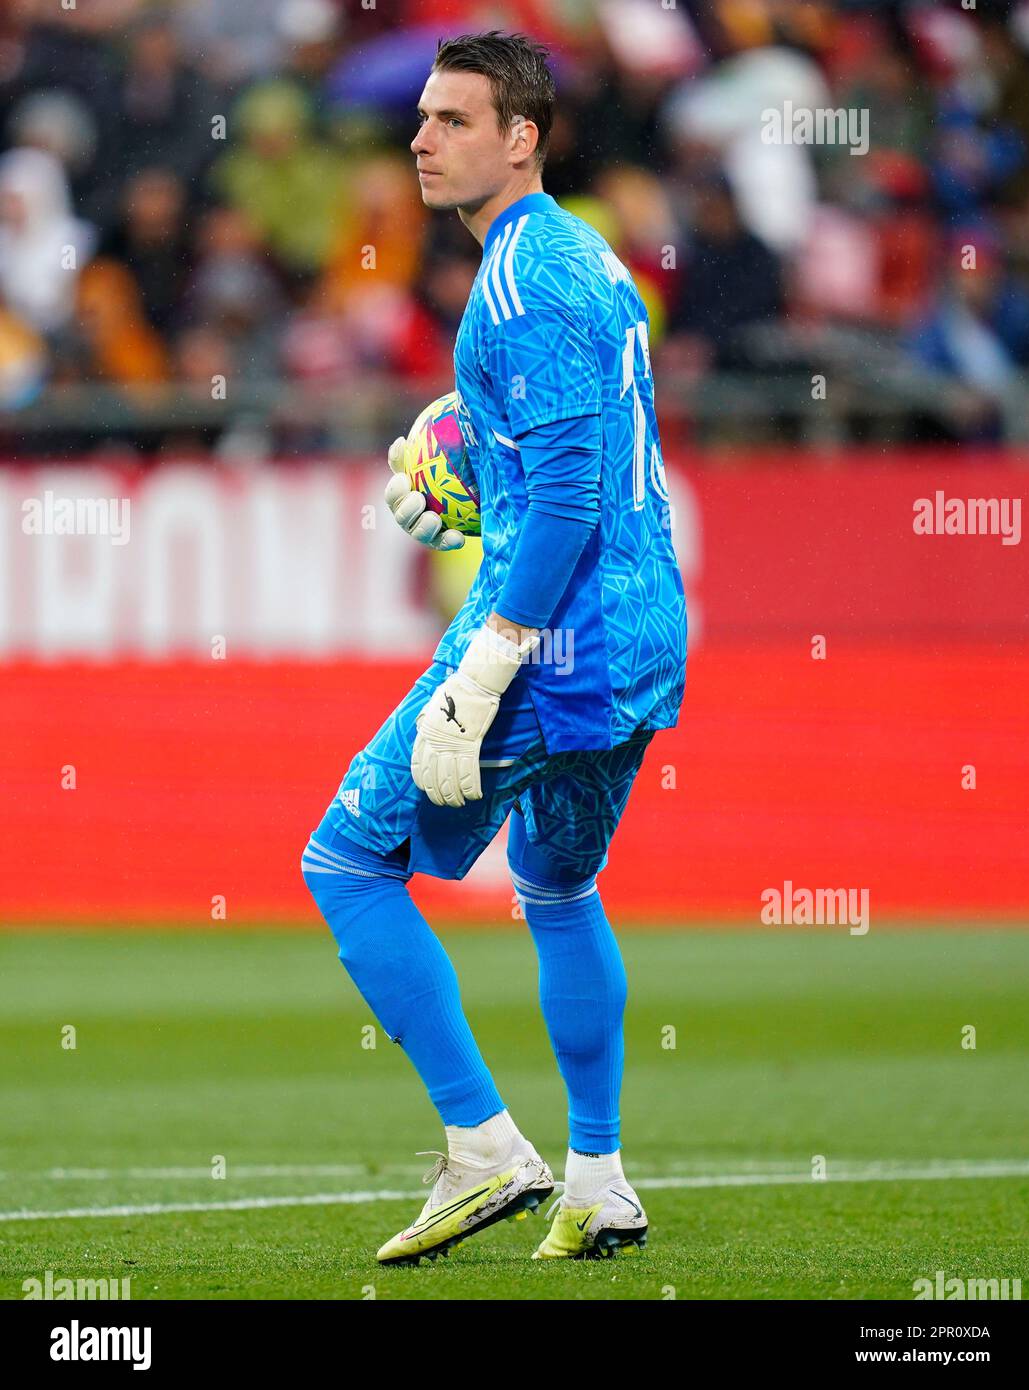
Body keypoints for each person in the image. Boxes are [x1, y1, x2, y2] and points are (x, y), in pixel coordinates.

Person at [302, 30, 687, 1265]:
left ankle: (482, 1146)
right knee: (558, 885)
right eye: (421, 117)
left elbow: (569, 499)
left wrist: (483, 666)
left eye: (453, 120)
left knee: (346, 863)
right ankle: (598, 1176)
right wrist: (467, 440)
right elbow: (566, 446)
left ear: (520, 139)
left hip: (550, 638)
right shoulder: (582, 258)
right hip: (636, 633)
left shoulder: (520, 279)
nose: (420, 138)